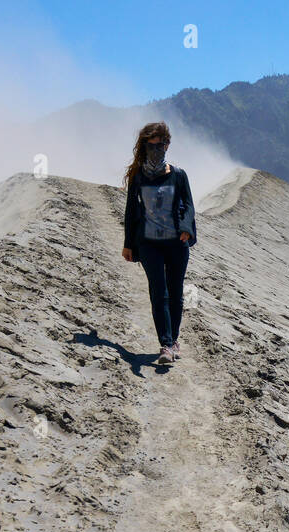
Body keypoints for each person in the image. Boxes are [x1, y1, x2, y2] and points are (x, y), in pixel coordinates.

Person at [122, 122, 196, 366]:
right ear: (144, 145)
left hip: (176, 243)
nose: (156, 149)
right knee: (158, 292)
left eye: (160, 144)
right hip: (148, 244)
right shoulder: (138, 176)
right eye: (151, 144)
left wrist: (186, 229)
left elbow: (188, 205)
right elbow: (131, 210)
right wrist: (128, 244)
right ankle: (165, 344)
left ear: (168, 145)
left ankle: (174, 340)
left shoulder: (179, 174)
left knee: (176, 294)